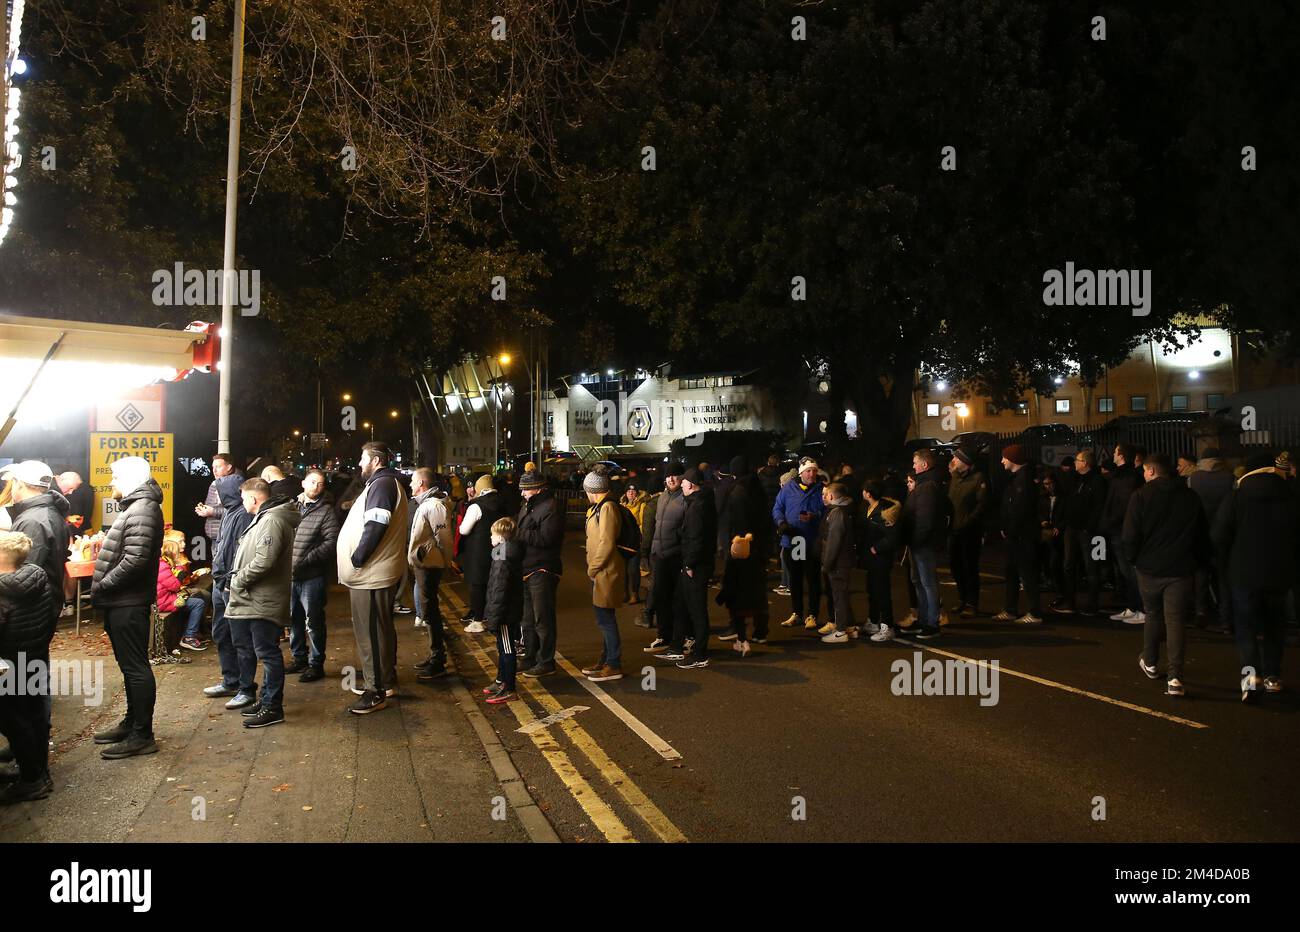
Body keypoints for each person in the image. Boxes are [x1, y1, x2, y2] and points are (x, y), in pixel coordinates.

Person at [90, 456, 165, 759]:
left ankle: (141, 735)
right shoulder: (137, 507)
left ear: (132, 479)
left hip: (127, 602)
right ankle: (132, 723)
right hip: (122, 601)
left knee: (135, 668)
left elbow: (136, 559)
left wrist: (105, 584)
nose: (111, 483)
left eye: (115, 478)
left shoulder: (143, 508)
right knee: (129, 666)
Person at [1122, 453, 1211, 698]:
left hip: (1149, 568)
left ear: (1151, 471)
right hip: (1181, 569)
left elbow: (1130, 534)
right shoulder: (1190, 497)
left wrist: (1134, 560)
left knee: (1153, 614)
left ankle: (1150, 661)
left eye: (1144, 471)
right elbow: (1202, 534)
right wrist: (1200, 562)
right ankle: (1175, 676)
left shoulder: (1140, 497)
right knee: (1176, 621)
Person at [1213, 452, 1299, 703]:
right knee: (1275, 624)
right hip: (1280, 573)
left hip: (1244, 572)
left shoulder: (1237, 498)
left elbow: (1219, 535)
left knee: (1246, 626)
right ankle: (1273, 675)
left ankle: (1251, 676)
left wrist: (1227, 561)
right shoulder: (1291, 498)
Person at [337, 442, 410, 714]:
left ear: (376, 461)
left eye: (362, 458)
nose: (359, 464)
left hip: (370, 573)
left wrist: (358, 558)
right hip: (374, 572)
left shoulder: (382, 485)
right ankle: (384, 681)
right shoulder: (384, 483)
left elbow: (377, 523)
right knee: (378, 628)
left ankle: (375, 690)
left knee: (370, 632)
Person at [225, 478, 301, 728]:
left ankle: (272, 707)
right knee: (265, 651)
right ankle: (267, 699)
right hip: (258, 597)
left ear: (254, 498)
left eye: (244, 498)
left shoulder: (271, 520)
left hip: (262, 598)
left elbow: (264, 561)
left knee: (268, 653)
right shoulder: (267, 518)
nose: (243, 502)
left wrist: (238, 581)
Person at [0, 531, 56, 803]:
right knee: (34, 716)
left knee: (15, 721)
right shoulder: (37, 577)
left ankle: (31, 780)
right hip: (34, 656)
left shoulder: (2, 590)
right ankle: (39, 772)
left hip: (8, 665)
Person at [202, 460, 255, 706]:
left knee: (240, 638)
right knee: (222, 634)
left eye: (220, 492)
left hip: (230, 585)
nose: (216, 497)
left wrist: (229, 582)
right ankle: (230, 680)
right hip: (220, 582)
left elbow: (240, 553)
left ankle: (246, 688)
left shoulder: (243, 516)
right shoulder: (231, 513)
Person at [660, 467, 716, 668]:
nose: (681, 484)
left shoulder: (698, 506)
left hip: (696, 566)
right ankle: (677, 646)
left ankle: (700, 653)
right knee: (681, 604)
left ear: (691, 485)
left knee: (697, 608)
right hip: (692, 563)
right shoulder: (699, 502)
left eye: (683, 482)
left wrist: (690, 563)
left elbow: (697, 538)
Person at [289, 468, 339, 682]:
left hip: (312, 577)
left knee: (314, 622)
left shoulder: (327, 511)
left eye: (320, 484)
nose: (315, 487)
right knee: (294, 620)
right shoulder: (291, 507)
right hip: (290, 577)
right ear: (303, 483)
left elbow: (331, 542)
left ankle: (316, 664)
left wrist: (306, 560)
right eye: (312, 482)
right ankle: (299, 658)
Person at [717, 456, 771, 653]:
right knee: (759, 589)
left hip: (740, 547)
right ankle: (761, 630)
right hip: (759, 547)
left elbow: (735, 523)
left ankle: (740, 635)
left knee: (738, 591)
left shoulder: (737, 492)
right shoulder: (758, 489)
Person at [515, 469, 563, 677]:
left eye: (525, 490)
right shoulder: (529, 506)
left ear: (537, 489)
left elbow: (546, 538)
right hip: (527, 568)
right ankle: (530, 657)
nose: (523, 494)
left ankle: (546, 660)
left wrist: (518, 533)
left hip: (543, 568)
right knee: (527, 619)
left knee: (542, 619)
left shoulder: (551, 507)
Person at [580, 468, 625, 681]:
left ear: (593, 489)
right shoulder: (598, 508)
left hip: (606, 572)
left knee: (606, 620)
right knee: (603, 619)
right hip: (601, 572)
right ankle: (606, 659)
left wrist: (593, 568)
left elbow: (606, 542)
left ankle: (613, 664)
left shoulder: (607, 508)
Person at [773, 456, 826, 630]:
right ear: (802, 473)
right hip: (795, 540)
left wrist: (814, 516)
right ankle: (797, 612)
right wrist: (781, 523)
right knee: (795, 579)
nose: (812, 474)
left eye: (814, 471)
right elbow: (777, 507)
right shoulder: (789, 488)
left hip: (811, 540)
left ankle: (812, 614)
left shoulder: (821, 489)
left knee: (812, 579)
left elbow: (827, 511)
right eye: (809, 471)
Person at [408, 468, 451, 681]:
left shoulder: (433, 506)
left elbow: (443, 538)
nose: (410, 485)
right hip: (425, 563)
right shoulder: (425, 504)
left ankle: (438, 659)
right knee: (427, 610)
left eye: (413, 482)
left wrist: (442, 561)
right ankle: (435, 655)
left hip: (430, 565)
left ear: (422, 483)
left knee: (430, 611)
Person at [900, 449, 948, 639]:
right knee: (919, 581)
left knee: (927, 582)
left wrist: (917, 540)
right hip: (918, 542)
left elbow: (925, 519)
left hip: (923, 543)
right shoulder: (923, 484)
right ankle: (924, 618)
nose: (913, 465)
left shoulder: (927, 486)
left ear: (924, 465)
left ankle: (931, 622)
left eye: (915, 462)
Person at [993, 445, 1043, 625]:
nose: (1002, 461)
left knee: (1027, 573)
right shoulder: (1015, 479)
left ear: (1013, 459)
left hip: (1022, 536)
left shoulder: (1024, 481)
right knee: (1012, 572)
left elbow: (1020, 510)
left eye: (1004, 458)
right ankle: (1010, 609)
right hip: (1014, 535)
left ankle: (1035, 611)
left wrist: (1010, 529)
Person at [1054, 449, 1107, 616]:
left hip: (1087, 530)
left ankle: (1092, 604)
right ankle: (1070, 601)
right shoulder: (1074, 479)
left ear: (1085, 463)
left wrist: (1089, 527)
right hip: (1072, 527)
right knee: (1068, 565)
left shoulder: (1097, 481)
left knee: (1091, 567)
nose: (1074, 463)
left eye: (1077, 460)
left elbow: (1098, 506)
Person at [1188, 446, 1234, 631]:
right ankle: (1226, 619)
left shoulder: (1193, 479)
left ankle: (1201, 612)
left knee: (1200, 578)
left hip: (1200, 534)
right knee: (1224, 580)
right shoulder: (1230, 479)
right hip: (1223, 536)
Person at [641, 463, 687, 650]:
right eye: (668, 476)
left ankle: (679, 638)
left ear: (682, 478)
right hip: (659, 554)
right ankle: (663, 635)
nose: (671, 479)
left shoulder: (686, 498)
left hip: (676, 555)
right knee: (660, 596)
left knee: (677, 599)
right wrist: (650, 550)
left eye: (675, 475)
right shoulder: (662, 498)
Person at [482, 517, 525, 704]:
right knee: (502, 646)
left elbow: (499, 589)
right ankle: (501, 680)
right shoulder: (501, 552)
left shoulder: (503, 556)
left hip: (505, 612)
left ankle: (509, 688)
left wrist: (494, 616)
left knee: (507, 649)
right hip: (506, 609)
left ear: (500, 536)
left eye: (492, 534)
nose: (490, 537)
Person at [1102, 443, 1145, 625]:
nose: (1113, 453)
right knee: (1125, 571)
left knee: (1130, 571)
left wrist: (1111, 521)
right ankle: (1132, 606)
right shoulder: (1120, 476)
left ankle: (1140, 608)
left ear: (1121, 456)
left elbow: (1123, 504)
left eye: (1115, 451)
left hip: (1122, 529)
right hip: (1118, 528)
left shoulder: (1128, 477)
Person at [947, 448, 989, 617]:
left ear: (964, 462)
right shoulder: (955, 478)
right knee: (956, 566)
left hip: (969, 531)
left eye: (956, 458)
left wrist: (967, 522)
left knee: (969, 566)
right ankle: (962, 599)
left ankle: (972, 602)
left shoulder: (978, 479)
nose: (953, 460)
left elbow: (982, 505)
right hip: (954, 530)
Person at [458, 475, 502, 633]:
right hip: (499, 548)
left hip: (478, 550)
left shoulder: (476, 506)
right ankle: (494, 615)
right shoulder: (501, 502)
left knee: (477, 584)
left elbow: (464, 529)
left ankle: (478, 619)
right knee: (496, 581)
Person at [818, 482, 857, 643]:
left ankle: (841, 631)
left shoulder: (836, 513)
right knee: (843, 595)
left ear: (832, 496)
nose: (825, 497)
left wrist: (826, 564)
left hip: (839, 561)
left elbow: (833, 542)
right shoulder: (846, 510)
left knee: (839, 596)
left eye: (826, 494)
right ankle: (850, 627)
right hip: (844, 559)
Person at [861, 482, 901, 641]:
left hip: (881, 559)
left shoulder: (885, 511)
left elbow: (892, 536)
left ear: (868, 494)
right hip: (871, 560)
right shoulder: (868, 509)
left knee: (882, 591)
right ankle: (873, 621)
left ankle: (887, 626)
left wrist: (876, 548)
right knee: (872, 589)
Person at [157, 533, 210, 651]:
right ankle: (189, 636)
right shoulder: (163, 566)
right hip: (163, 602)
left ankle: (193, 631)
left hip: (166, 597)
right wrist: (180, 572)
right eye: (177, 555)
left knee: (200, 597)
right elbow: (175, 586)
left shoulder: (164, 563)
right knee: (198, 603)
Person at [197, 453, 237, 555]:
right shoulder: (216, 483)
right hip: (216, 536)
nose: (214, 470)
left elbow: (237, 511)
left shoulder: (233, 484)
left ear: (229, 467)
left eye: (218, 467)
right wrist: (204, 509)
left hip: (225, 537)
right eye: (213, 467)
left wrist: (212, 511)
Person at [622, 483, 650, 603]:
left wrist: (642, 540)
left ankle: (634, 593)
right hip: (623, 541)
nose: (631, 493)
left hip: (635, 541)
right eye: (628, 491)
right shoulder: (621, 505)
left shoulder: (642, 505)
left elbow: (643, 524)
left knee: (633, 569)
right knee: (623, 569)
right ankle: (624, 593)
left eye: (633, 491)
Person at [1039, 473, 1066, 594]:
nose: (1048, 486)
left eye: (1050, 483)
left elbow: (1067, 513)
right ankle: (1048, 581)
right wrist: (1042, 520)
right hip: (1045, 530)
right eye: (1045, 484)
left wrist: (1059, 526)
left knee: (1055, 559)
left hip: (1057, 531)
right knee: (1044, 557)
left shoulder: (1063, 497)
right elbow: (1038, 511)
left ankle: (1056, 583)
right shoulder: (1042, 497)